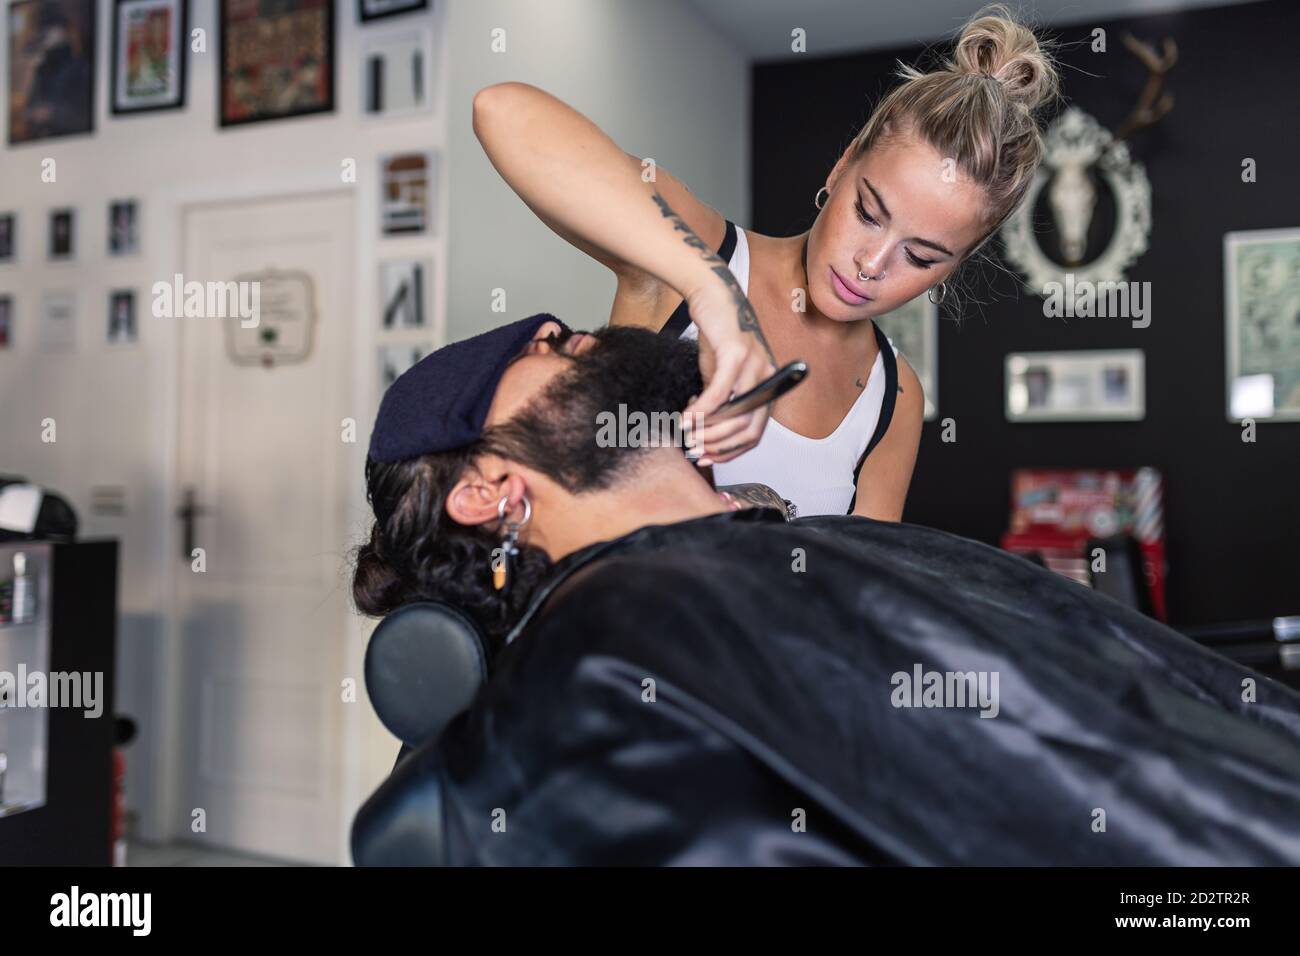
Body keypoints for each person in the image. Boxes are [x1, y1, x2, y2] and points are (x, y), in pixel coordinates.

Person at [349, 313, 1300, 866]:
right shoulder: (632, 625)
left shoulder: (738, 566)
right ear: (484, 489)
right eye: (552, 347)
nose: (586, 334)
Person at [472, 4, 1060, 518]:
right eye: (868, 212)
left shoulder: (893, 394)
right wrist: (709, 292)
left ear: (956, 264)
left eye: (922, 256)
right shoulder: (701, 248)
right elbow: (502, 112)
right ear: (842, 165)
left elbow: (859, 591)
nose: (871, 264)